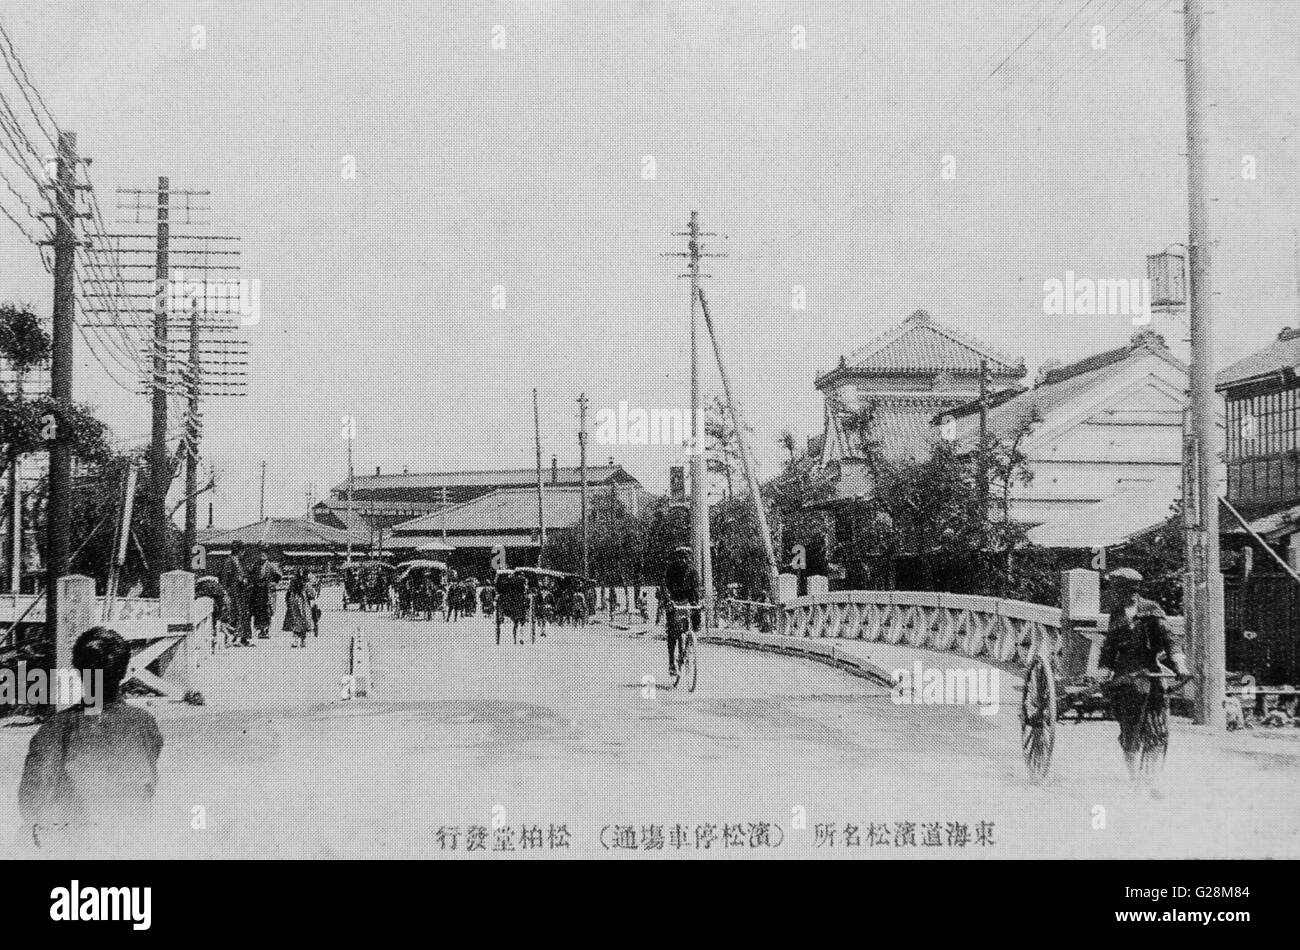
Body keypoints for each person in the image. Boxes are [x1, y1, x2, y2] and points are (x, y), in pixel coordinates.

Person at [17, 628, 164, 856]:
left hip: (78, 847)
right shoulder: (144, 723)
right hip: (132, 844)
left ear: (77, 671)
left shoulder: (55, 729)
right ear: (124, 672)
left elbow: (31, 800)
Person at [1099, 568, 1189, 791]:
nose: (1114, 594)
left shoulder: (1151, 610)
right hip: (1124, 679)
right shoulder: (1117, 613)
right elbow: (1110, 647)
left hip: (1150, 674)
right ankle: (1135, 780)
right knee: (1130, 731)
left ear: (1131, 590)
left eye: (1118, 589)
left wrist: (1179, 664)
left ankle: (1153, 780)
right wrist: (1103, 671)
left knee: (1157, 730)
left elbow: (1170, 639)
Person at [661, 546, 699, 678]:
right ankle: (671, 662)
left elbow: (695, 589)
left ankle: (689, 642)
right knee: (673, 632)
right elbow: (664, 586)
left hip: (687, 601)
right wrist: (669, 600)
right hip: (673, 601)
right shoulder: (671, 570)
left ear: (689, 558)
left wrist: (697, 605)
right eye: (681, 557)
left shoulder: (692, 571)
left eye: (686, 557)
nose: (683, 560)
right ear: (676, 558)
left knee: (693, 622)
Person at [247, 548, 282, 639]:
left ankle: (266, 630)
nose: (261, 557)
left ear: (267, 556)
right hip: (258, 592)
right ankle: (260, 630)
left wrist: (273, 583)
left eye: (263, 555)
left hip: (268, 591)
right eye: (260, 555)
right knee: (258, 611)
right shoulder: (255, 565)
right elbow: (250, 574)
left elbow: (278, 575)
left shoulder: (271, 565)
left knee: (268, 611)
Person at [220, 541, 250, 646]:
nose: (244, 553)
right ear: (239, 551)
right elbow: (225, 578)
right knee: (233, 615)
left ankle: (238, 638)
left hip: (239, 593)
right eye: (243, 550)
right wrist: (225, 592)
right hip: (232, 593)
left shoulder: (237, 561)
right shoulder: (230, 561)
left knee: (240, 615)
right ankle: (232, 638)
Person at [283, 571, 313, 648]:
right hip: (304, 604)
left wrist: (288, 603)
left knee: (295, 621)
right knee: (304, 622)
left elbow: (287, 594)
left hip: (294, 604)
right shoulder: (306, 584)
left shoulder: (293, 584)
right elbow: (312, 594)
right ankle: (303, 641)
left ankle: (295, 640)